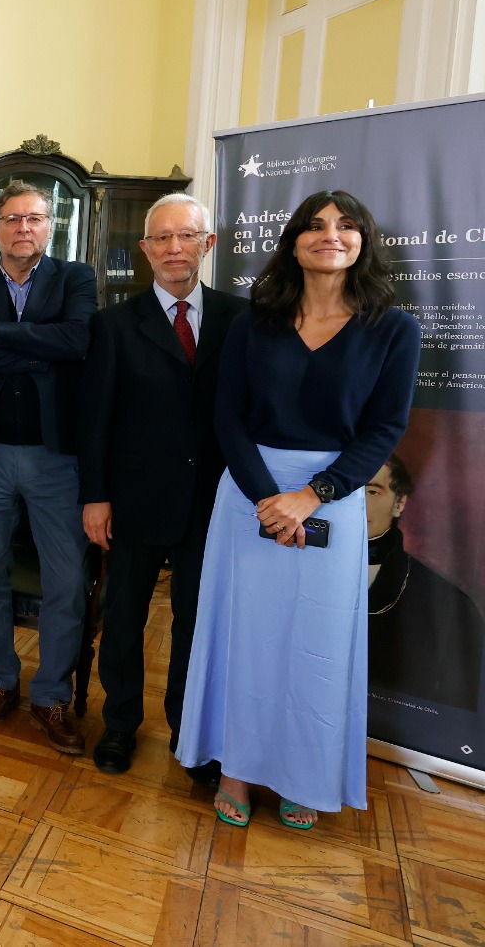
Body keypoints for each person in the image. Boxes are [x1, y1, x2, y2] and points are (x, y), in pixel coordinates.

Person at [178, 190, 420, 830]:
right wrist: (268, 498)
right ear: (294, 242)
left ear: (363, 241)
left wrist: (314, 495)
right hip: (249, 494)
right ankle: (234, 767)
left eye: (346, 225)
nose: (329, 235)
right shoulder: (253, 322)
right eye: (314, 225)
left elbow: (385, 428)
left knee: (317, 645)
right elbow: (227, 417)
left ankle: (302, 775)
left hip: (333, 499)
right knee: (244, 639)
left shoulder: (393, 328)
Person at [77, 193, 245, 781]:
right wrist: (95, 497)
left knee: (197, 624)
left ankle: (188, 733)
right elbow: (94, 420)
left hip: (214, 502)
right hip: (133, 500)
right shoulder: (113, 324)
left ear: (208, 244)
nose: (175, 248)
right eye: (163, 238)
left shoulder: (239, 319)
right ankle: (119, 725)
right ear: (145, 249)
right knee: (123, 621)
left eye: (187, 236)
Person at [0, 181, 97, 754]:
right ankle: (1, 681)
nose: (23, 228)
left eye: (34, 218)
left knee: (66, 582)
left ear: (49, 226)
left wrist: (2, 335)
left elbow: (77, 342)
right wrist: (40, 352)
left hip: (56, 457)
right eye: (12, 219)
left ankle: (51, 694)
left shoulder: (75, 278)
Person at [366, 455, 483, 711]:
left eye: (372, 492)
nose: (356, 504)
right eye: (350, 490)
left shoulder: (453, 607)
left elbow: (457, 707)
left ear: (399, 503)